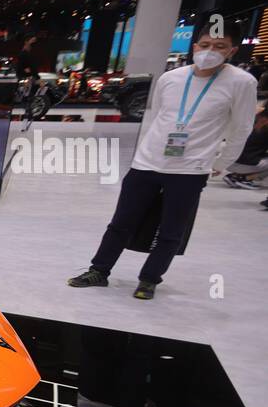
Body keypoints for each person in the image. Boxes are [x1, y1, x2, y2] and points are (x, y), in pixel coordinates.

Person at [68, 18, 257, 299]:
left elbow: (242, 128)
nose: (210, 51)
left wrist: (219, 164)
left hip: (191, 170)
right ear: (195, 46)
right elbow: (158, 116)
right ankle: (99, 270)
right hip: (147, 163)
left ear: (231, 51)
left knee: (171, 229)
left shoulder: (241, 83)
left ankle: (149, 278)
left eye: (219, 46)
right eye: (205, 45)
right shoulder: (171, 79)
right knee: (121, 222)